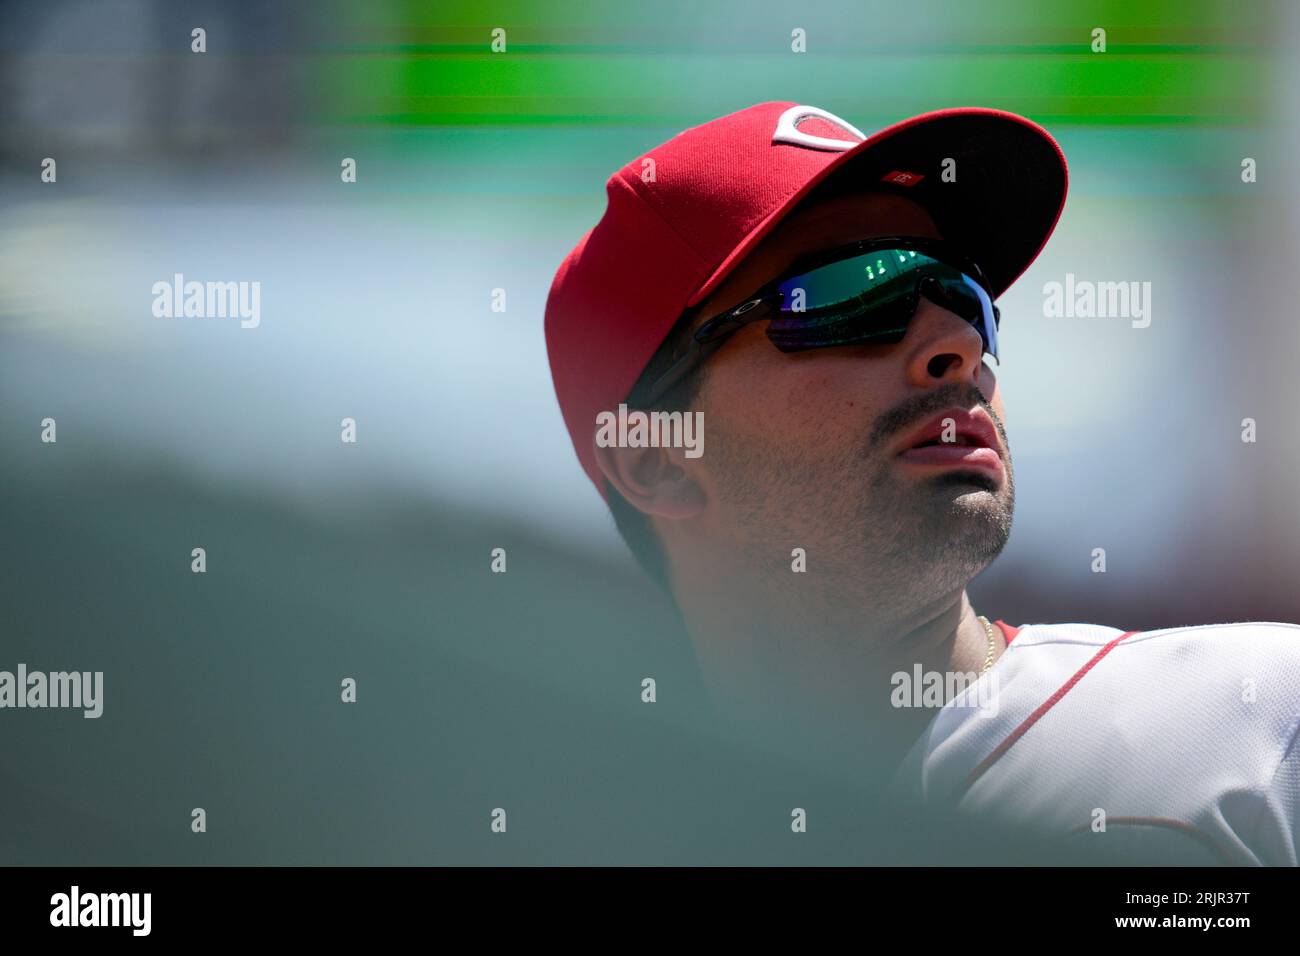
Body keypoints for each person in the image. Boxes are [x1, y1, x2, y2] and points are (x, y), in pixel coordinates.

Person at [544, 102, 1300, 865]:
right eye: (854, 295)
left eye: (965, 296)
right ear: (658, 459)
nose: (959, 343)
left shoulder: (1261, 721)